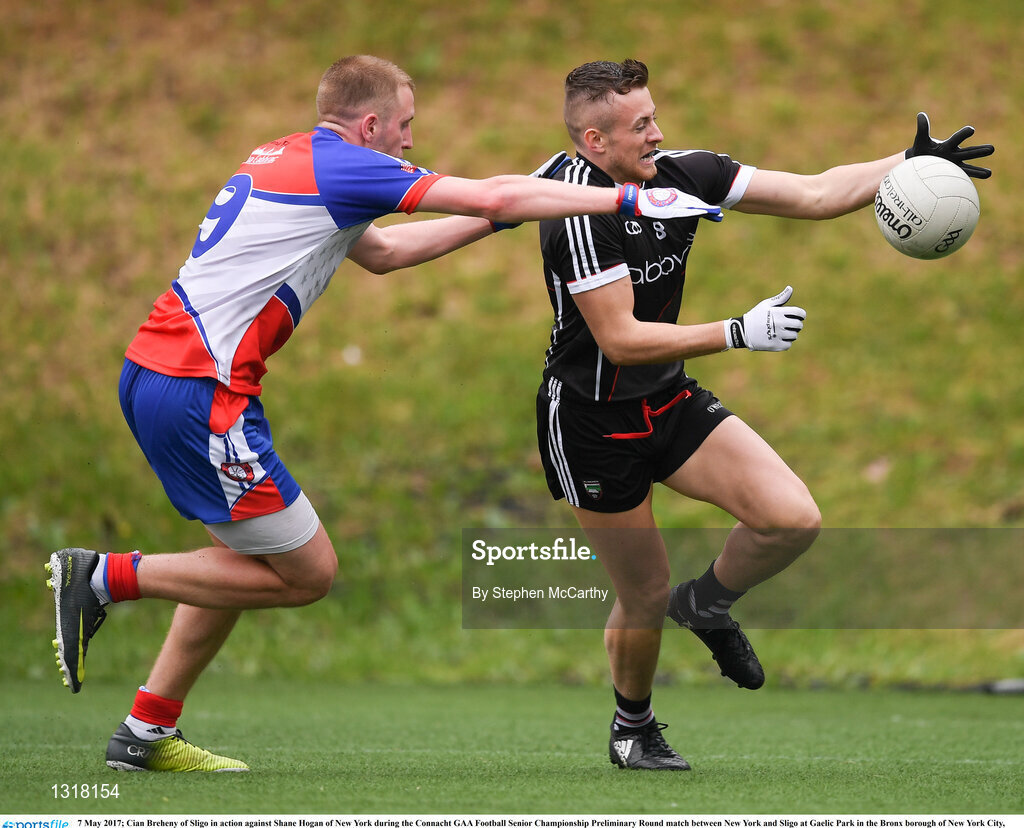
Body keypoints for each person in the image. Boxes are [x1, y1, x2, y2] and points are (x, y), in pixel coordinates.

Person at [44, 54, 726, 773]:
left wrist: (509, 210)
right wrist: (626, 202)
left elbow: (388, 252)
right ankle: (102, 577)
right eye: (404, 126)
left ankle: (145, 731)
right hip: (198, 391)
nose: (408, 141)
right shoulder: (347, 166)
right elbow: (490, 193)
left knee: (250, 553)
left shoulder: (291, 157)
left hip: (161, 371)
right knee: (307, 574)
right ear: (370, 124)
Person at [534, 58, 994, 771]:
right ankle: (633, 727)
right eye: (640, 126)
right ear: (594, 142)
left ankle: (708, 605)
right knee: (643, 591)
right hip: (593, 423)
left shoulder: (685, 174)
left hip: (666, 397)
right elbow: (618, 338)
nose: (658, 133)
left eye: (655, 115)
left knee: (791, 517)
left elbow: (812, 194)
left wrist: (905, 165)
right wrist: (736, 332)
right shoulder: (576, 212)